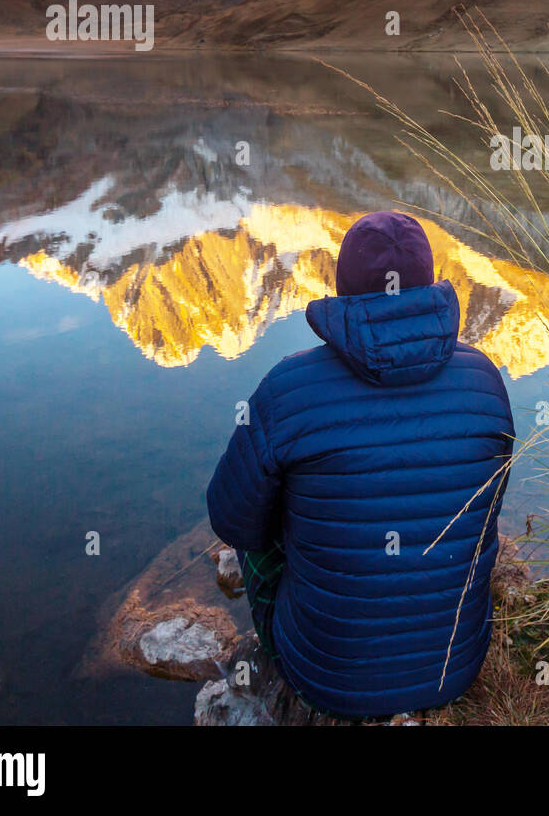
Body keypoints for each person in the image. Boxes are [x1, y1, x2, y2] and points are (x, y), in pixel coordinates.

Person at [206, 210, 515, 719]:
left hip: (324, 678)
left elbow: (230, 519)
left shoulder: (288, 389)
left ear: (342, 285)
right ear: (428, 283)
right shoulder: (485, 380)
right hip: (455, 667)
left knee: (262, 519)